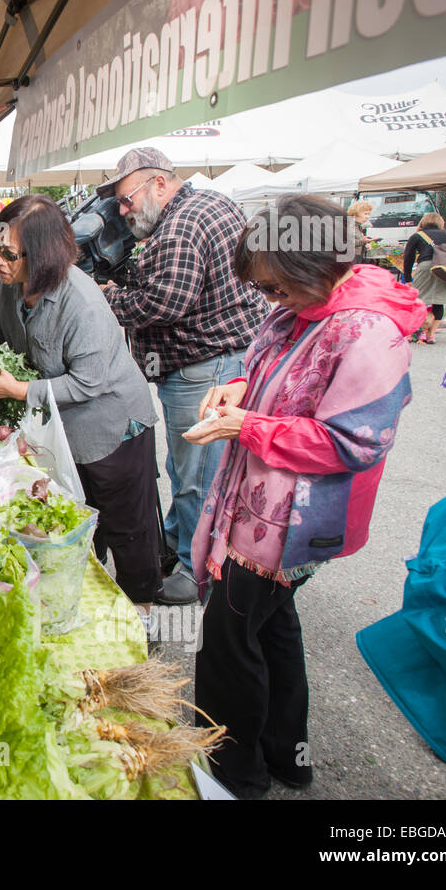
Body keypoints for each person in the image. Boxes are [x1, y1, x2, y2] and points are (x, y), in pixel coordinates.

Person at [187, 194, 424, 799]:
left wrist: (246, 426)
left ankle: (234, 773)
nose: (270, 300)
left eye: (276, 288)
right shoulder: (308, 305)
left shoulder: (368, 329)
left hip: (286, 521)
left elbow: (353, 443)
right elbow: (270, 365)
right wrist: (237, 388)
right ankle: (287, 757)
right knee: (272, 628)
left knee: (229, 641)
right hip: (262, 505)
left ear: (316, 265)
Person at [0, 194, 164, 625]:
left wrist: (19, 390)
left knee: (127, 527)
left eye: (9, 255)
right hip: (60, 429)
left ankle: (143, 614)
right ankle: (83, 601)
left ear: (40, 256)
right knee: (75, 516)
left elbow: (87, 382)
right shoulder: (9, 288)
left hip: (113, 427)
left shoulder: (81, 301)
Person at [99, 148, 268, 605]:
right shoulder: (213, 202)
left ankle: (197, 573)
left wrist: (105, 299)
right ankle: (177, 541)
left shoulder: (181, 225)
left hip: (203, 366)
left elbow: (162, 303)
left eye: (127, 199)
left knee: (195, 475)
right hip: (221, 360)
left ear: (158, 183)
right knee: (191, 467)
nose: (123, 210)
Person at [402, 212, 446, 344]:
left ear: (423, 222)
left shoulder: (418, 236)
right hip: (445, 269)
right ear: (440, 222)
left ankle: (415, 333)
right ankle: (431, 335)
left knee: (419, 300)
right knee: (439, 301)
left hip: (427, 267)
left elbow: (409, 257)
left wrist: (408, 278)